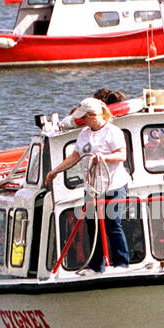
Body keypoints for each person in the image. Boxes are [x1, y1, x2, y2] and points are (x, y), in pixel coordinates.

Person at [45, 97, 131, 270]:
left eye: (84, 117)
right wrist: (56, 171)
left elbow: (122, 155)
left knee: (112, 224)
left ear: (93, 115)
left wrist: (104, 157)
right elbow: (75, 156)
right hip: (92, 187)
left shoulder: (113, 132)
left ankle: (122, 263)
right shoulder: (84, 133)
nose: (82, 121)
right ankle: (96, 265)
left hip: (113, 185)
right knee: (92, 224)